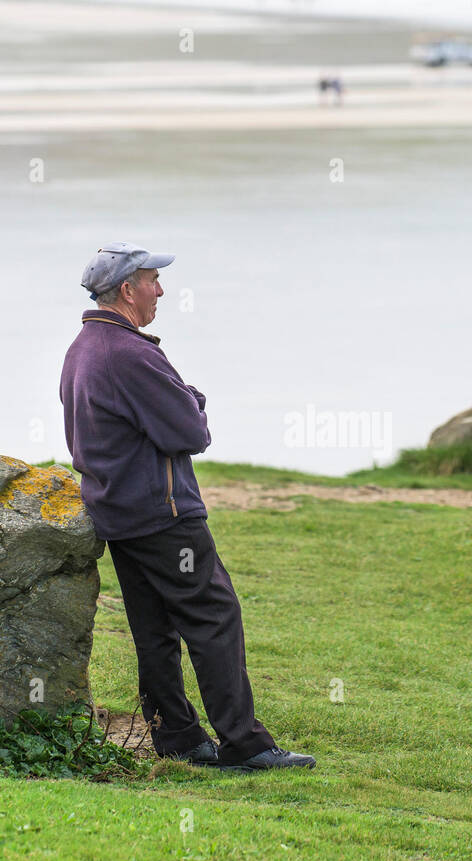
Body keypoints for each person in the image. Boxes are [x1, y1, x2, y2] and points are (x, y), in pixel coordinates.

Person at [59, 242, 316, 772]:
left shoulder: (83, 347)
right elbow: (191, 431)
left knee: (155, 630)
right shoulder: (130, 353)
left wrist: (180, 398)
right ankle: (246, 744)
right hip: (163, 516)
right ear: (127, 289)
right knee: (215, 616)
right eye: (153, 279)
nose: (161, 289)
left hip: (120, 514)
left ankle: (176, 737)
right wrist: (193, 397)